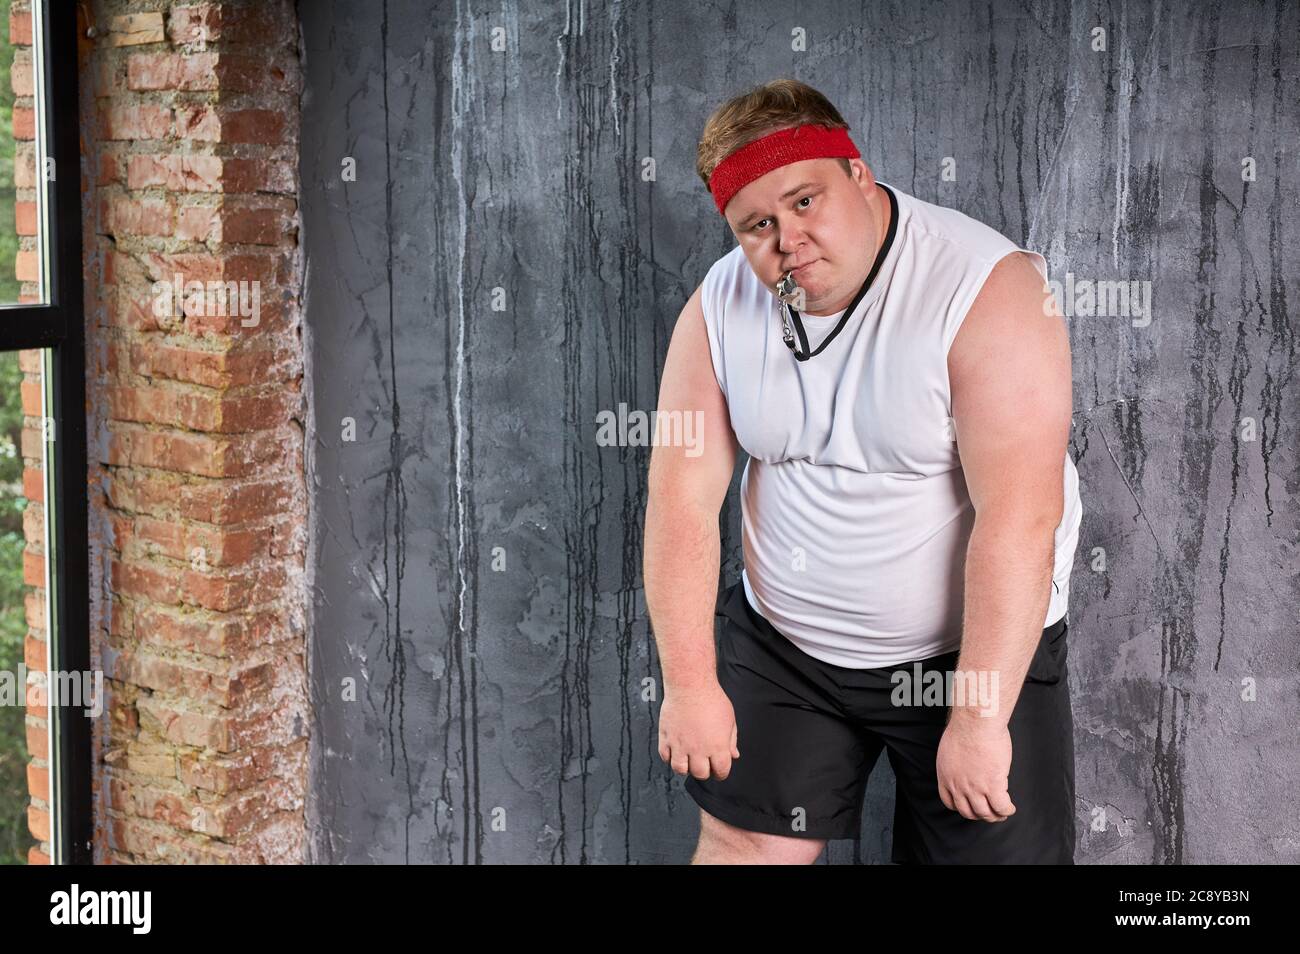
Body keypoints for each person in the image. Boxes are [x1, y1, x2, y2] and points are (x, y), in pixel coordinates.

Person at [642, 78, 1083, 864]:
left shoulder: (986, 288)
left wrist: (979, 721)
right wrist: (689, 682)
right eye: (757, 226)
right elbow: (680, 499)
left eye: (804, 201)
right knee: (742, 849)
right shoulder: (718, 305)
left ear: (857, 171)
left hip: (964, 656)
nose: (787, 240)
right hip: (788, 648)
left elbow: (1021, 520)